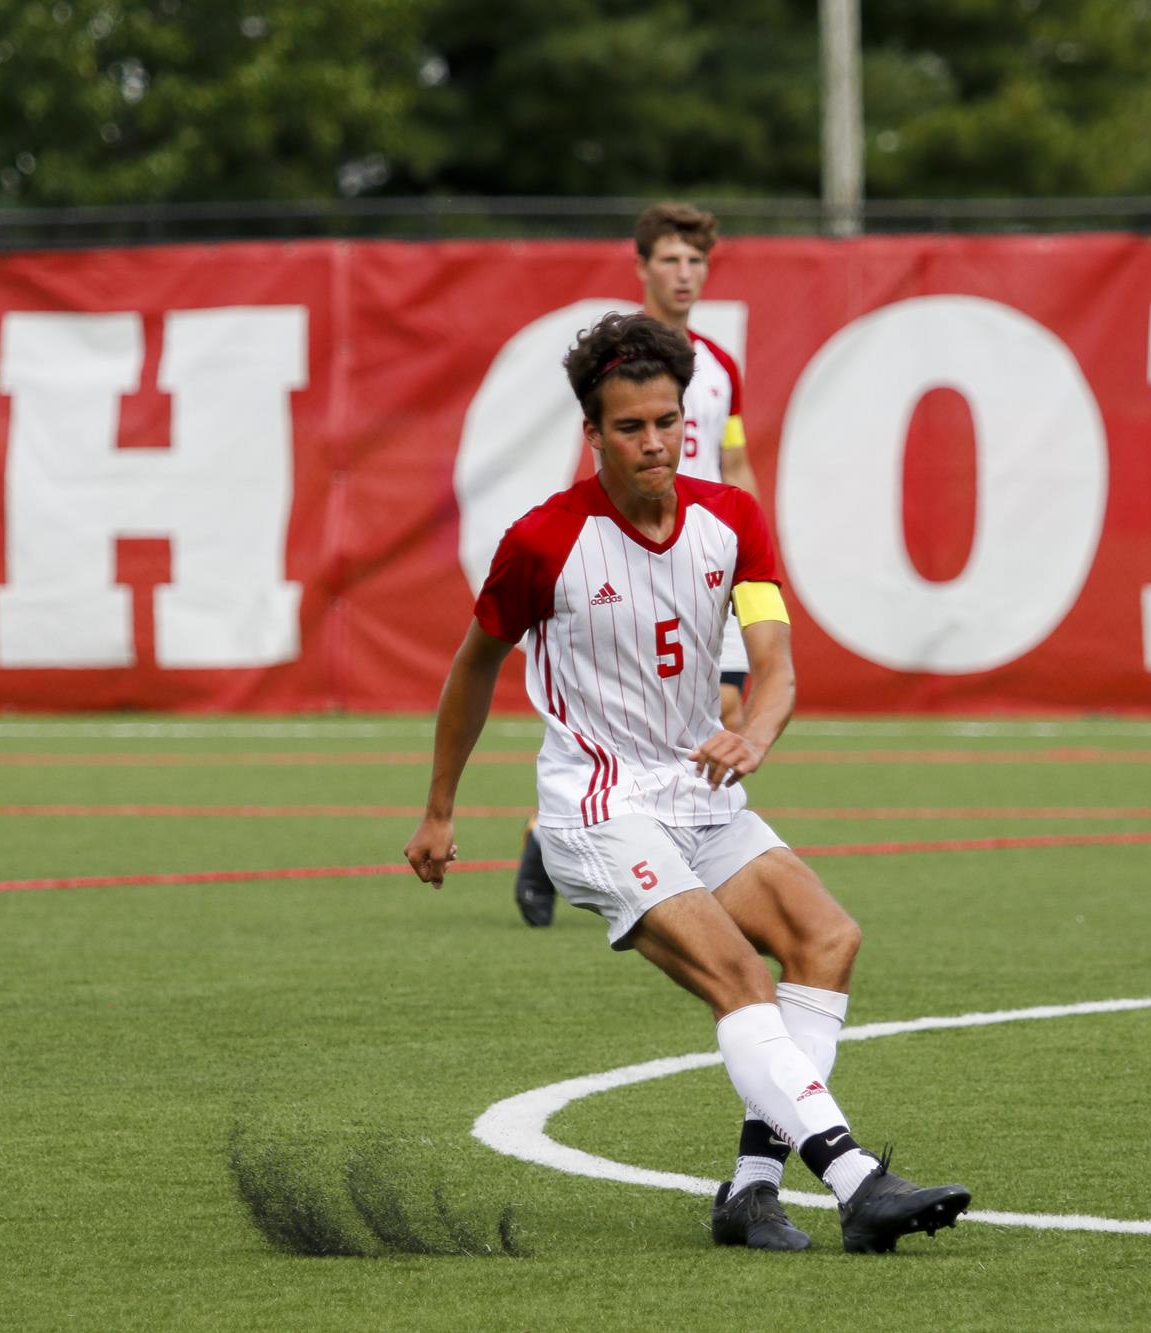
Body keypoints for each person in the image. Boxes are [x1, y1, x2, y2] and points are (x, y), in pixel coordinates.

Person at [405, 312, 970, 1254]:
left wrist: (754, 732)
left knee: (827, 938)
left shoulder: (733, 519)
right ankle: (855, 1177)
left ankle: (752, 1190)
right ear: (592, 436)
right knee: (740, 976)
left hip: (700, 790)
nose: (655, 442)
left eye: (666, 420)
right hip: (599, 805)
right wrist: (438, 809)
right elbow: (473, 666)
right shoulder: (543, 542)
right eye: (630, 427)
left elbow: (776, 664)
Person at [513, 200, 759, 928]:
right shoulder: (620, 361)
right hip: (638, 559)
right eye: (671, 260)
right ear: (643, 267)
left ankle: (676, 853)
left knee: (727, 706)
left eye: (696, 261)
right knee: (635, 714)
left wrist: (755, 548)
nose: (685, 274)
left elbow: (734, 459)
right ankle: (558, 834)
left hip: (708, 558)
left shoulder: (718, 368)